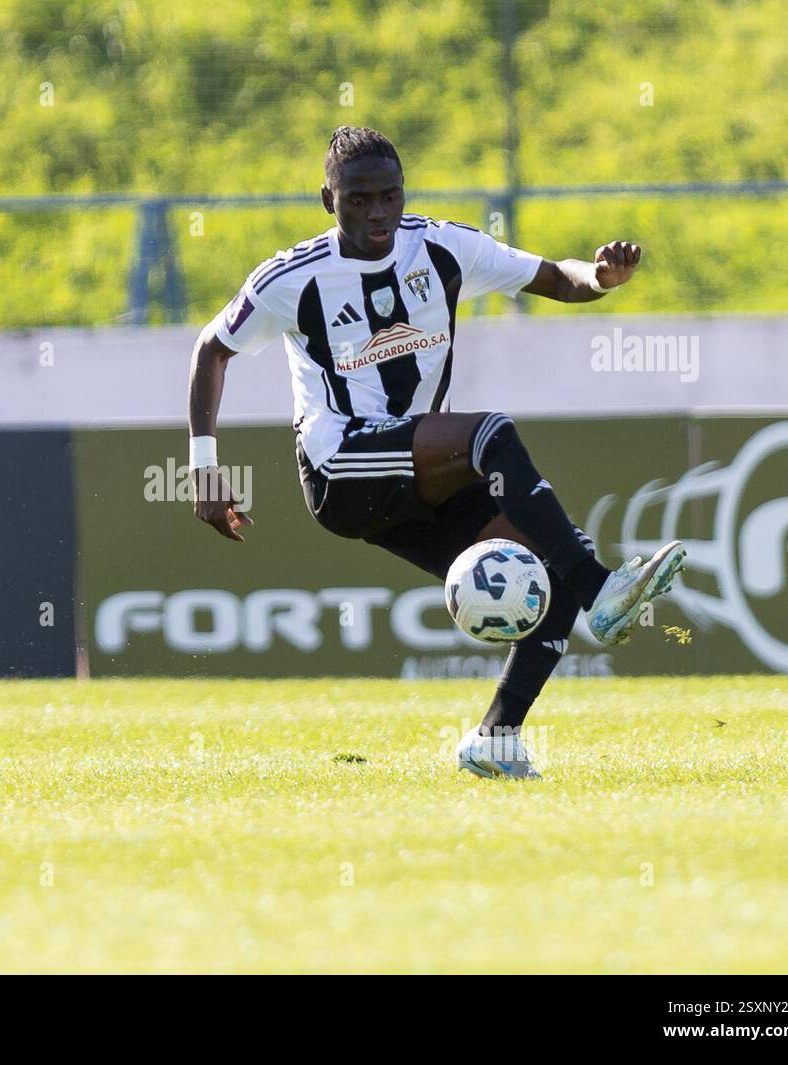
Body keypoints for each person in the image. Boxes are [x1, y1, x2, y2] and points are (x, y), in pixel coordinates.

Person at [186, 126, 686, 780]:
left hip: (417, 470)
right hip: (341, 469)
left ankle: (496, 738)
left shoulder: (442, 248)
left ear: (403, 194)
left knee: (551, 568)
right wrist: (203, 469)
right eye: (358, 198)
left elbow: (555, 280)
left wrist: (600, 276)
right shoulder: (295, 277)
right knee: (491, 435)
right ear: (327, 199)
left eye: (388, 196)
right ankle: (605, 593)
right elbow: (212, 348)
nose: (376, 213)